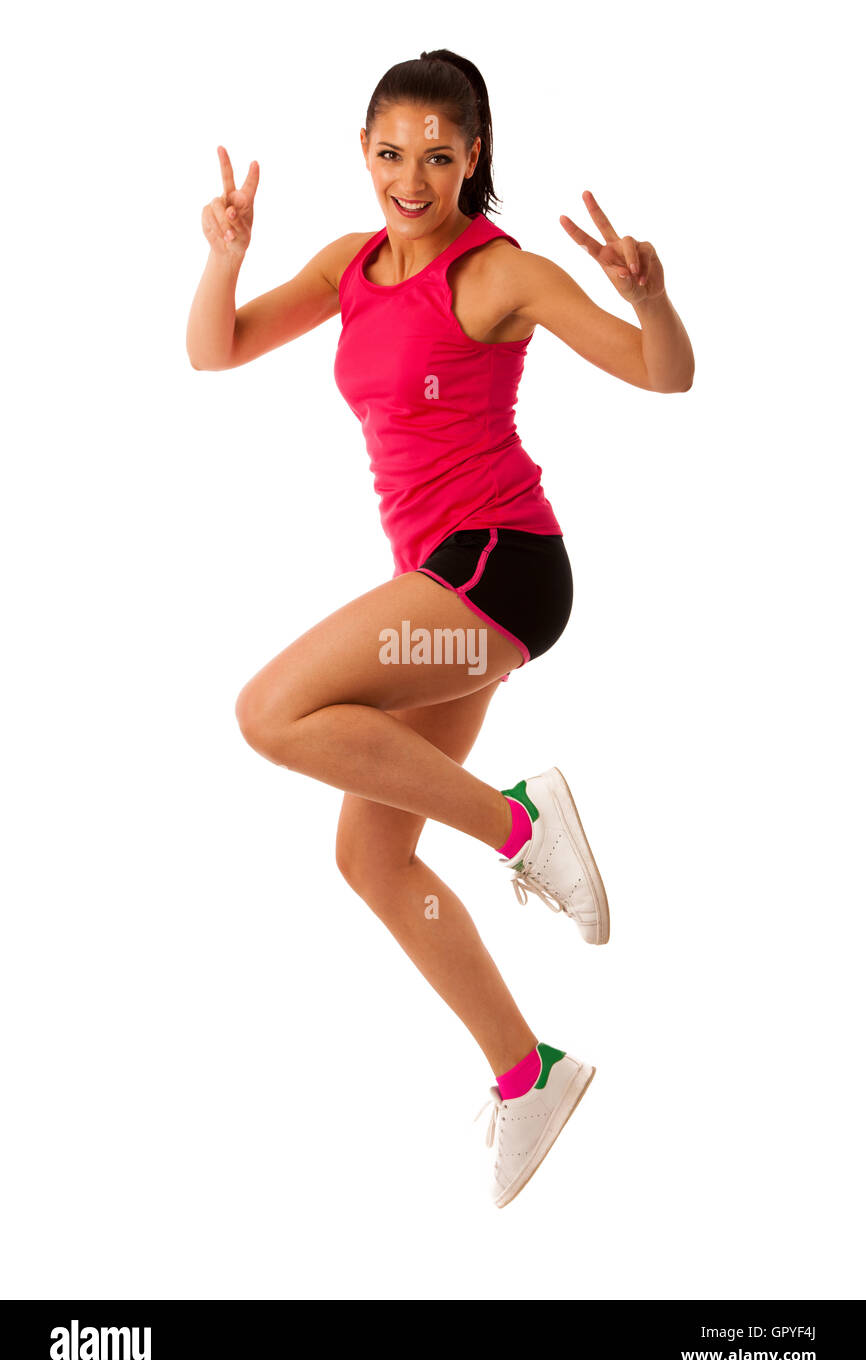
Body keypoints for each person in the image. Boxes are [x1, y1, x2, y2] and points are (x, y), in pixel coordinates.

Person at [186, 48, 694, 1208]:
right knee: (370, 854)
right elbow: (214, 348)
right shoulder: (351, 265)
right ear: (364, 155)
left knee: (270, 711)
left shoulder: (496, 275)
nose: (409, 177)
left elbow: (661, 377)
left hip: (501, 573)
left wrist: (648, 298)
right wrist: (224, 258)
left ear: (474, 161)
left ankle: (516, 821)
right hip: (443, 590)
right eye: (388, 152)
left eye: (437, 155)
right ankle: (529, 1072)